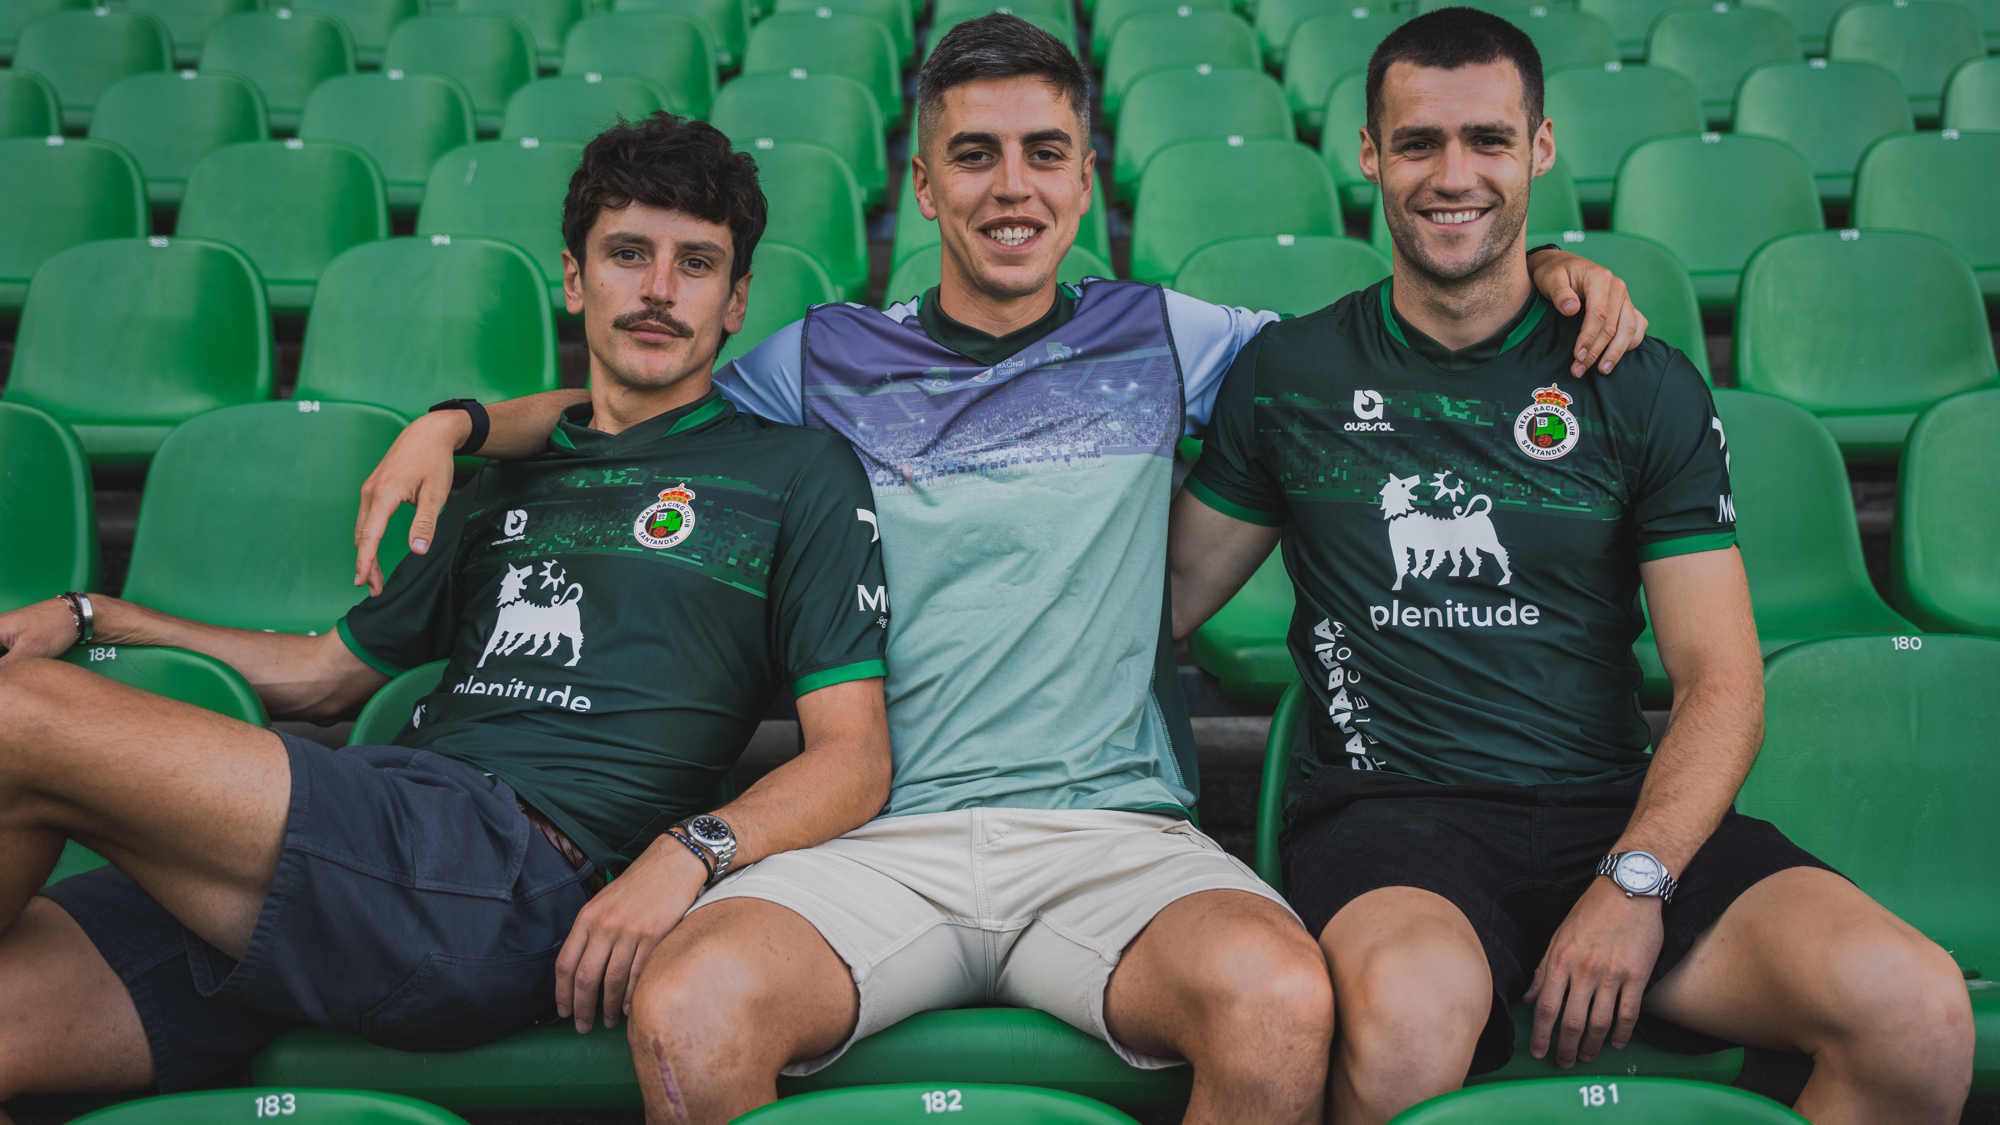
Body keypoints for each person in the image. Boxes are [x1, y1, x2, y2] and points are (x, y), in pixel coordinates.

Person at [348, 18, 1654, 1125]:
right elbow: (635, 399)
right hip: (877, 838)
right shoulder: (822, 359)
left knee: (1277, 999)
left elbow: (1393, 336)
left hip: (1114, 836)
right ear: (923, 184)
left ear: (1088, 179)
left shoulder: (1168, 336)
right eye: (973, 156)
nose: (1010, 188)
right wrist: (460, 420)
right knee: (691, 1011)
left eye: (1044, 155)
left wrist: (1541, 264)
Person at [1168, 11, 1975, 1124]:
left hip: (1616, 804)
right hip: (1394, 819)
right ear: (1366, 153)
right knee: (1406, 1019)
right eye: (1417, 143)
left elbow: (1721, 683)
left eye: (1487, 141)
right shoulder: (1289, 375)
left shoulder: (1637, 380)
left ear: (1539, 147)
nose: (1454, 174)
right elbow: (1158, 601)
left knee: (1919, 1012)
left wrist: (1632, 878)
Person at [0, 114, 893, 1111]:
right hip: (376, 837)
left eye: (694, 265)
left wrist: (690, 851)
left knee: (20, 717)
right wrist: (97, 616)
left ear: (734, 304)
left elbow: (853, 759)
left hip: (510, 871)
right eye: (627, 255)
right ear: (573, 278)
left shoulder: (791, 472)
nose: (655, 290)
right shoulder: (508, 473)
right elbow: (323, 673)